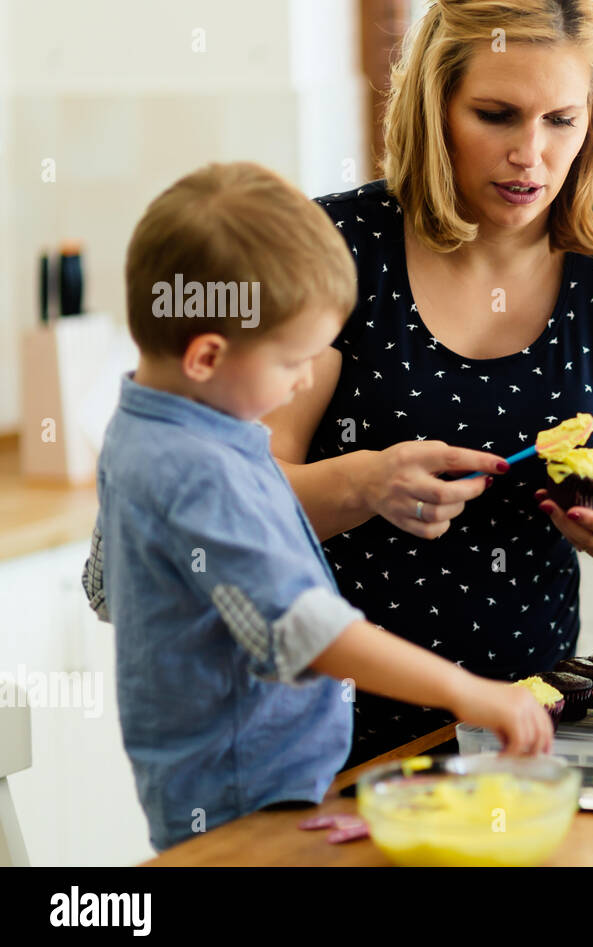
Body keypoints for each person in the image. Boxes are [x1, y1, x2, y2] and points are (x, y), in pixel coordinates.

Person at [265, 0, 593, 765]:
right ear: (435, 108)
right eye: (496, 115)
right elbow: (247, 503)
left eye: (561, 120)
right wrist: (367, 483)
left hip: (526, 725)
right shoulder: (337, 249)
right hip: (321, 722)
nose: (530, 154)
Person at [82, 161, 553, 852]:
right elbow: (307, 633)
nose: (309, 377)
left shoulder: (148, 426)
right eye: (293, 359)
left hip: (252, 791)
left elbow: (106, 593)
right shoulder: (197, 467)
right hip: (246, 808)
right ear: (208, 355)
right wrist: (471, 693)